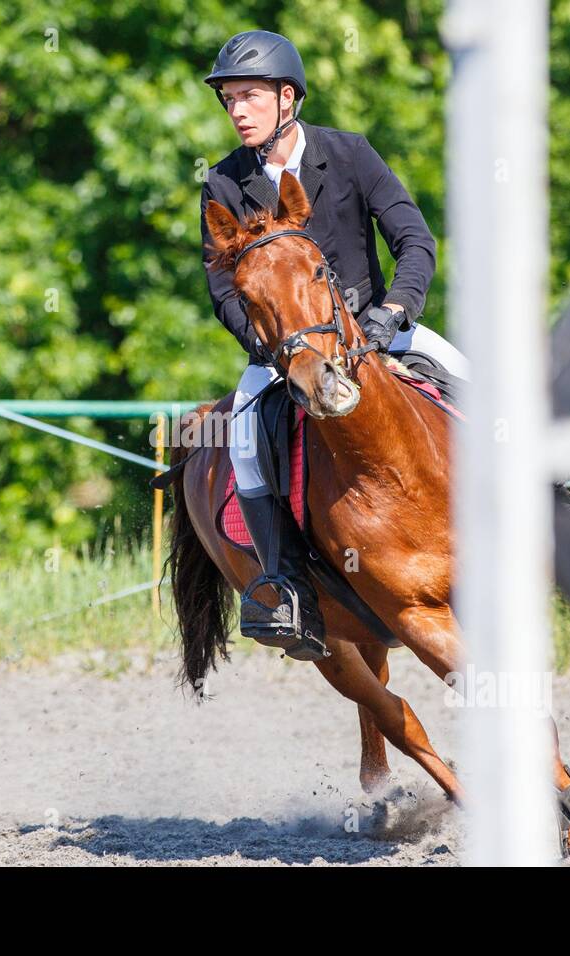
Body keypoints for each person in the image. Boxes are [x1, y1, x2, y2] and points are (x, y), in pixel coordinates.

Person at [200, 29, 470, 660]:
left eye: (248, 97)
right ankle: (284, 587)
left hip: (380, 329)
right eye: (229, 99)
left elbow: (414, 241)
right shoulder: (223, 184)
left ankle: (555, 506)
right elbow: (223, 291)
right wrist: (279, 351)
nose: (236, 110)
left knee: (478, 382)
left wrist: (392, 311)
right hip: (286, 354)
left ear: (286, 97)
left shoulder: (348, 155)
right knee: (241, 443)